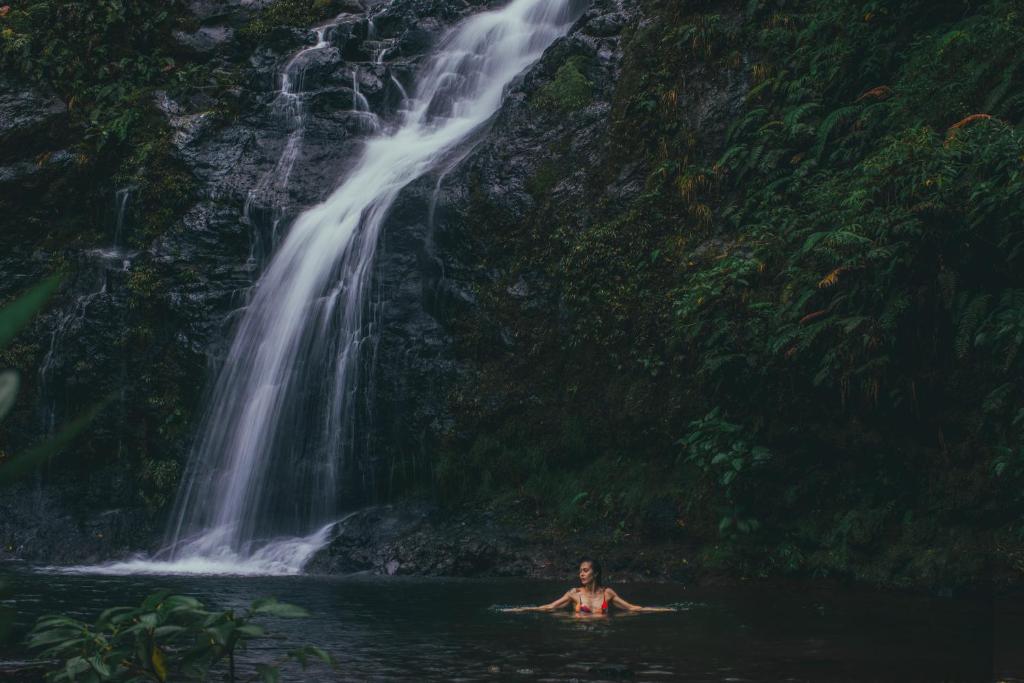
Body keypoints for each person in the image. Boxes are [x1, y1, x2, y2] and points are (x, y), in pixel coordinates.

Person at [504, 558, 672, 615]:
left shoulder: (608, 593)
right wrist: (520, 609)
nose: (581, 574)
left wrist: (663, 610)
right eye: (580, 571)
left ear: (595, 573)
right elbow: (548, 607)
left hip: (603, 637)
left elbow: (633, 608)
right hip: (580, 637)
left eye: (585, 571)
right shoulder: (574, 594)